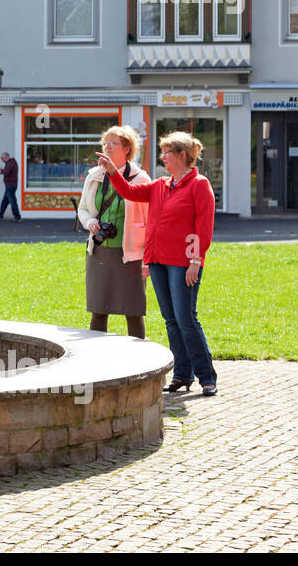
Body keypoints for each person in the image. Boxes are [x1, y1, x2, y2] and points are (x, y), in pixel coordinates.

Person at [98, 131, 218, 396]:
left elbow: (204, 228)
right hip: (157, 260)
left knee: (186, 319)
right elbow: (129, 192)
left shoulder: (199, 185)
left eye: (167, 153)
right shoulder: (161, 185)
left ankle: (206, 376)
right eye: (162, 152)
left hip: (183, 262)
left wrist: (196, 261)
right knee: (171, 320)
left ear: (182, 155)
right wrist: (112, 171)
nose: (162, 157)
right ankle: (182, 375)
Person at [78, 126, 149, 338]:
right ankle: (97, 358)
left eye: (113, 143)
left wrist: (147, 256)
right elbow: (82, 209)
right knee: (98, 310)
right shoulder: (95, 176)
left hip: (130, 253)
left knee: (133, 311)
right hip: (100, 250)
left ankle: (139, 361)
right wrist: (90, 221)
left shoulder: (140, 178)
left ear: (127, 148)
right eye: (105, 143)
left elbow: (149, 218)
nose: (107, 147)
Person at [0, 152, 21, 221]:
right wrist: (3, 171)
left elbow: (7, 172)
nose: (2, 160)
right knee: (5, 201)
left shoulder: (10, 163)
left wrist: (1, 171)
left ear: (6, 157)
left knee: (12, 201)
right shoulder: (12, 162)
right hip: (10, 185)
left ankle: (17, 217)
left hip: (10, 185)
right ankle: (0, 215)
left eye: (2, 158)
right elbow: (8, 172)